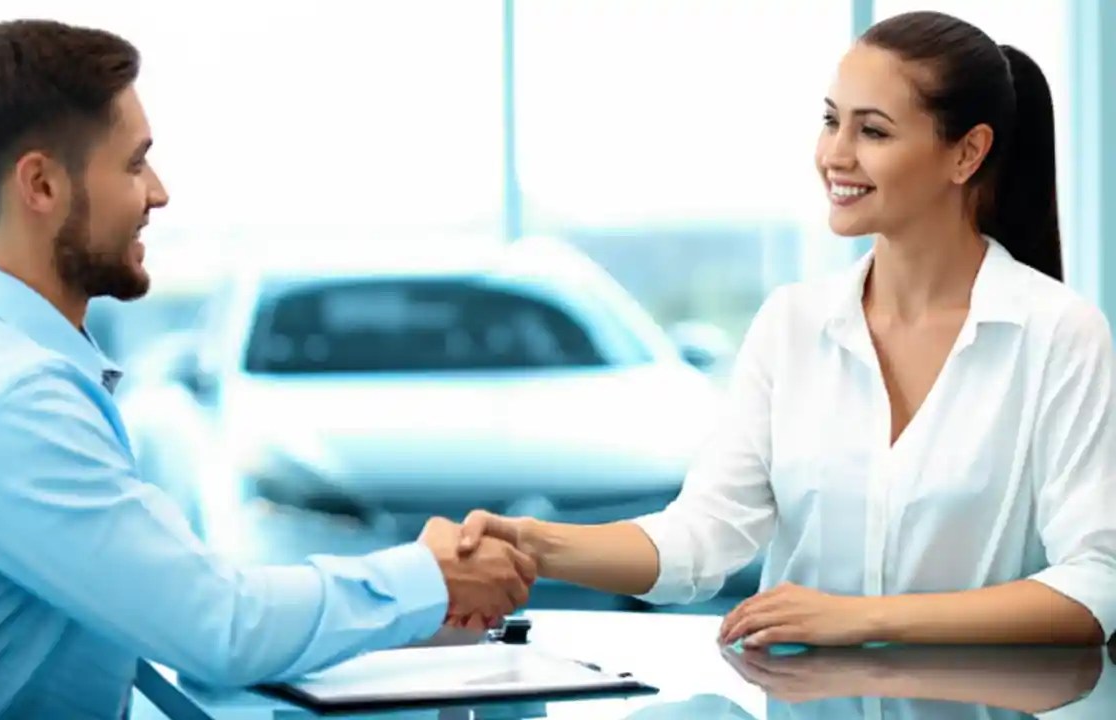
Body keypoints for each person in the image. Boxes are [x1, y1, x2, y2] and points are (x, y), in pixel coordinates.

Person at [0, 19, 534, 719]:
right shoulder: (12, 402)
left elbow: (172, 603)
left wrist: (405, 613)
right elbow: (220, 627)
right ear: (42, 185)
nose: (159, 193)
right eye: (135, 163)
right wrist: (429, 577)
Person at [456, 10, 1116, 648]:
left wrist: (865, 619)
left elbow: (1097, 585)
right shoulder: (792, 325)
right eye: (831, 121)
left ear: (967, 153)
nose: (835, 154)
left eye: (873, 132)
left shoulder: (1058, 335)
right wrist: (537, 545)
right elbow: (703, 538)